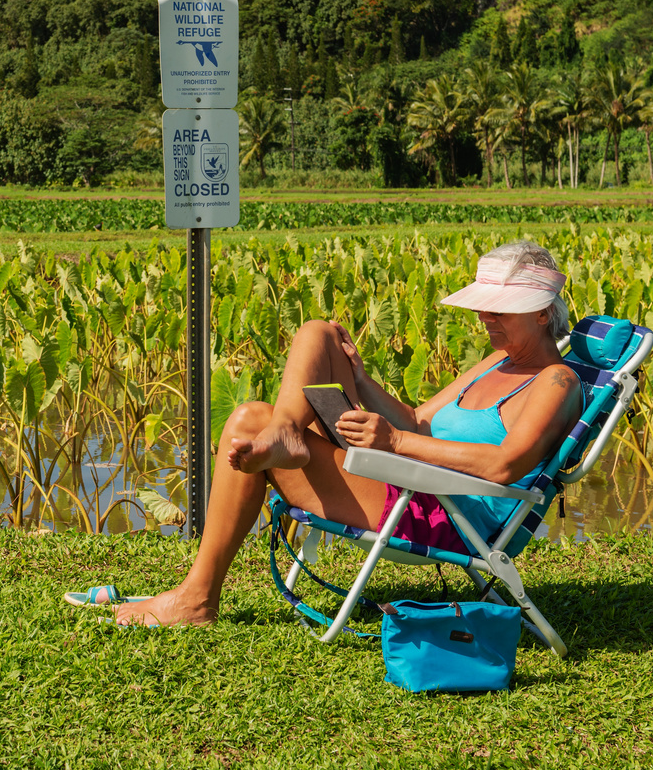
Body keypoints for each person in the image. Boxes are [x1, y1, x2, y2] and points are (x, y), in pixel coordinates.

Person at [115, 238, 585, 627]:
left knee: (247, 420)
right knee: (319, 333)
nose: (485, 318)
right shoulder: (496, 363)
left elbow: (506, 465)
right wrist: (360, 382)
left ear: (542, 313)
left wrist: (395, 444)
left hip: (445, 513)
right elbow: (418, 420)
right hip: (410, 480)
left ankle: (196, 600)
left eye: (500, 309)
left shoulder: (555, 381)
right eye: (483, 307)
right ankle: (284, 432)